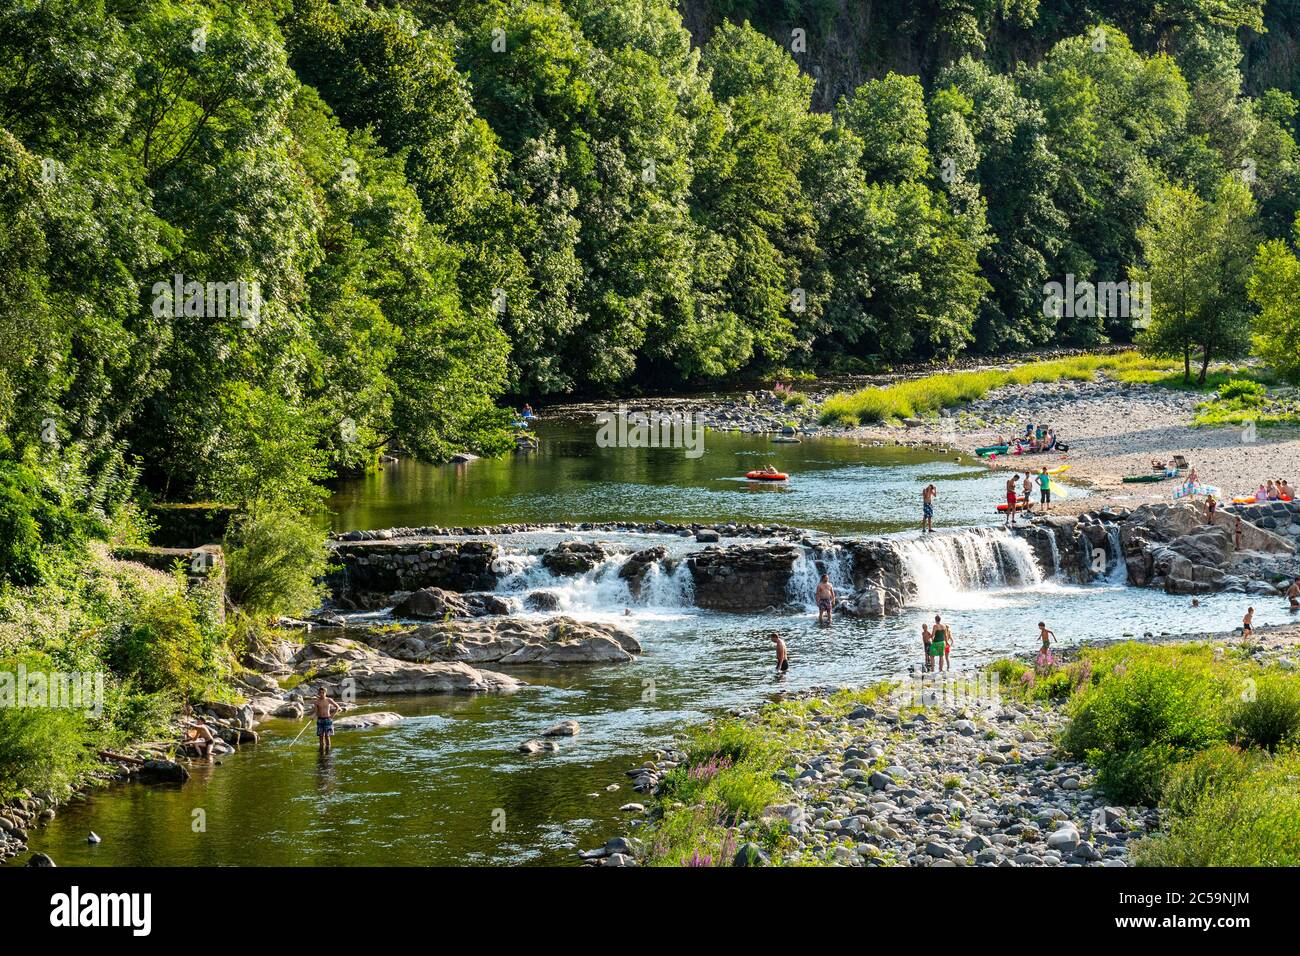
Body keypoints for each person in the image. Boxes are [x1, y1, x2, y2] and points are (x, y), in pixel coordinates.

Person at [312, 686, 341, 755]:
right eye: (320, 693)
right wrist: (313, 716)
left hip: (327, 720)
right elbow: (316, 712)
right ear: (318, 693)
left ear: (325, 693)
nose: (321, 694)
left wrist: (332, 715)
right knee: (321, 737)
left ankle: (328, 752)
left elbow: (338, 707)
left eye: (323, 693)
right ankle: (321, 752)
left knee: (327, 736)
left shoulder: (329, 700)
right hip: (320, 720)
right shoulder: (316, 702)